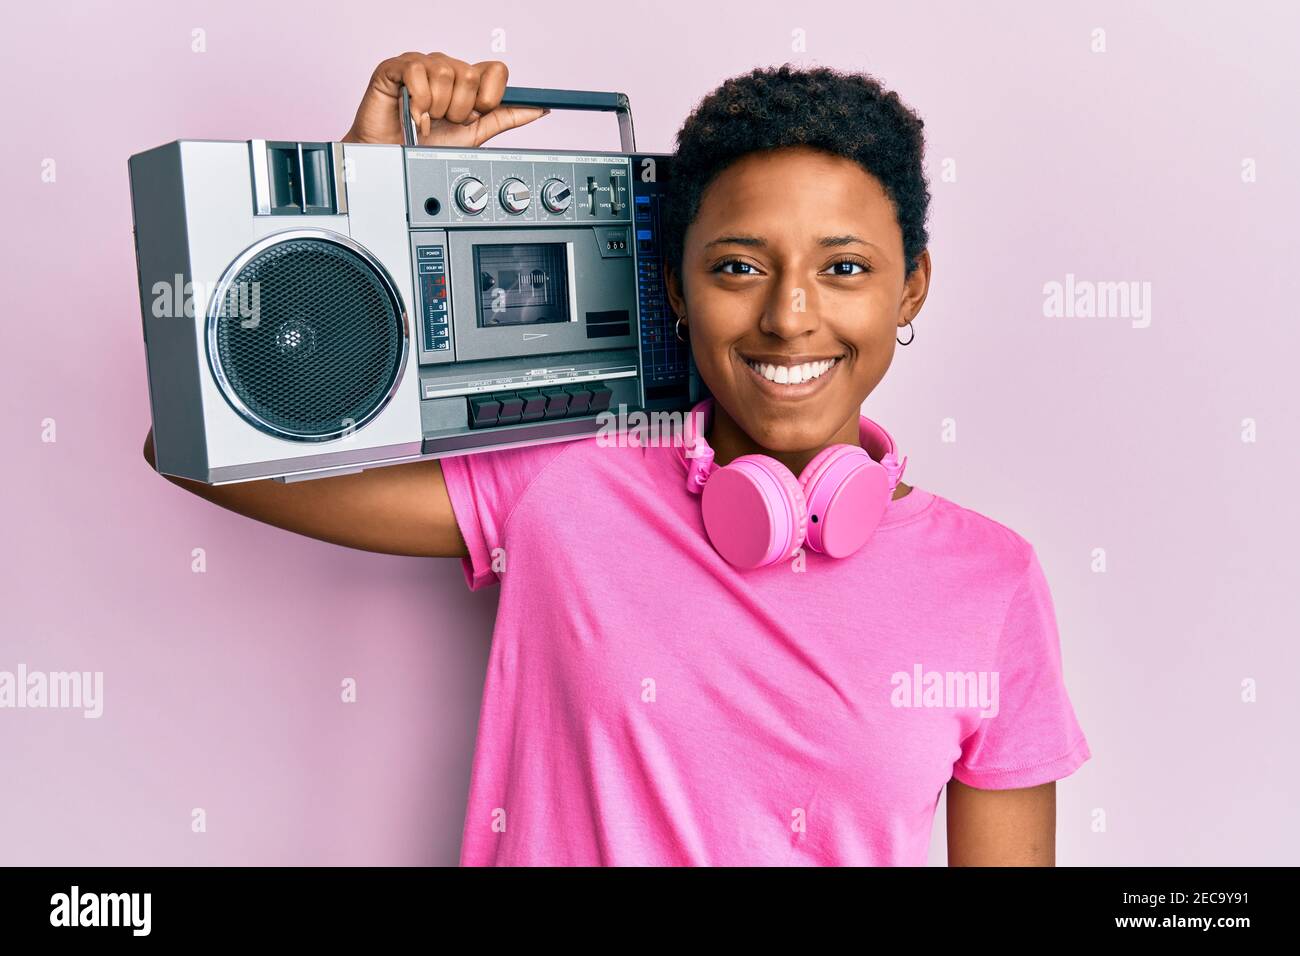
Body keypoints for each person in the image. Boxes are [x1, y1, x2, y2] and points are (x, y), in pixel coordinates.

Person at [142, 51, 1091, 866]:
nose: (789, 315)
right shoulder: (568, 481)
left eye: (843, 268)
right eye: (737, 266)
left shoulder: (992, 581)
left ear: (911, 288)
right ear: (673, 287)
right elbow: (196, 449)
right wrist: (361, 200)